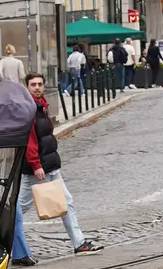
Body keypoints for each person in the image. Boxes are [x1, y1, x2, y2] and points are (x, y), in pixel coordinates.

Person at [20, 73, 103, 255]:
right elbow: (30, 141)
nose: (37, 87)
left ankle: (79, 243)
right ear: (27, 87)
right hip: (37, 169)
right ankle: (3, 240)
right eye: (33, 84)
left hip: (49, 165)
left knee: (66, 202)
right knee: (18, 209)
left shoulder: (41, 106)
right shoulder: (29, 109)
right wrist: (36, 165)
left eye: (40, 84)